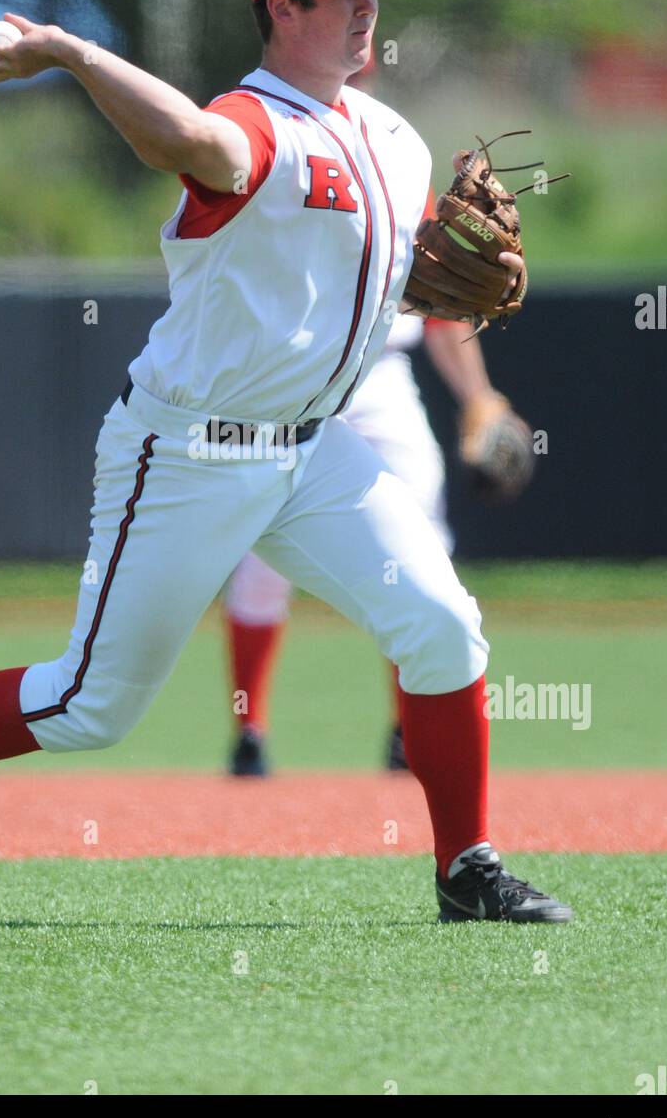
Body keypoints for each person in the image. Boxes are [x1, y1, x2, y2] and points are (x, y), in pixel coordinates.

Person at [0, 0, 572, 922]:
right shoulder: (254, 124)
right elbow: (188, 139)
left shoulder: (393, 137)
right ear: (280, 6)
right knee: (89, 706)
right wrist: (70, 51)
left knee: (441, 624)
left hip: (316, 452)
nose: (366, 6)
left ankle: (465, 870)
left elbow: (386, 274)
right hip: (184, 455)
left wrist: (451, 281)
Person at [224, 311, 524, 776]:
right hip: (288, 374)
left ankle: (408, 729)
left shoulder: (412, 233)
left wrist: (478, 394)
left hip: (379, 375)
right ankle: (249, 731)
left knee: (420, 536)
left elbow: (441, 310)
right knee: (263, 550)